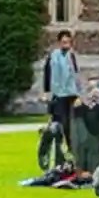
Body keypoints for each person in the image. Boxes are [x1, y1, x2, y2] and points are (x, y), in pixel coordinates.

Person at [41, 29, 80, 160]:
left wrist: (79, 94)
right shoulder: (53, 57)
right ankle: (54, 149)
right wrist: (46, 92)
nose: (66, 45)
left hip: (71, 94)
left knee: (71, 123)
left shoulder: (71, 56)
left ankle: (71, 149)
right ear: (59, 43)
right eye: (64, 42)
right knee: (58, 123)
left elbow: (75, 75)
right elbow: (47, 74)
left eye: (68, 42)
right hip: (58, 94)